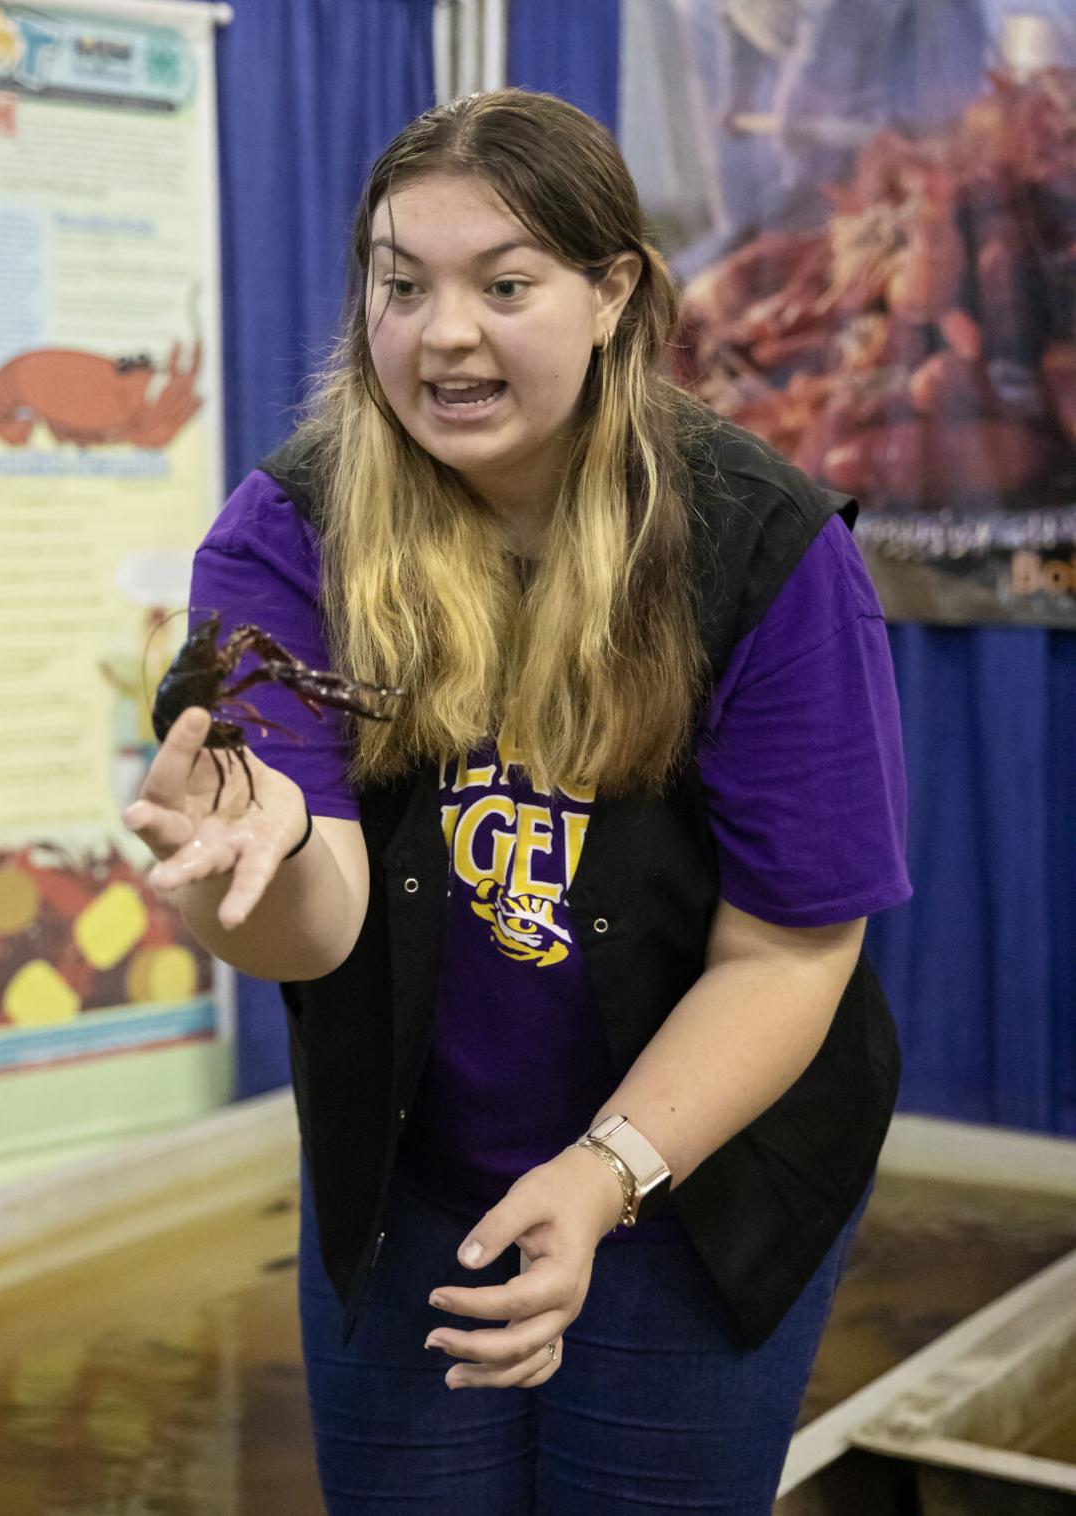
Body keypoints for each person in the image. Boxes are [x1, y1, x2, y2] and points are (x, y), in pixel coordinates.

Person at [123, 88, 911, 1515]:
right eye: (401, 285)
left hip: (699, 1171)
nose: (443, 335)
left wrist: (604, 1177)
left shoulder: (762, 548)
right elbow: (312, 928)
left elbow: (790, 953)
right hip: (416, 1172)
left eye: (503, 285)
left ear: (613, 294)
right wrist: (262, 859)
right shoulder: (289, 535)